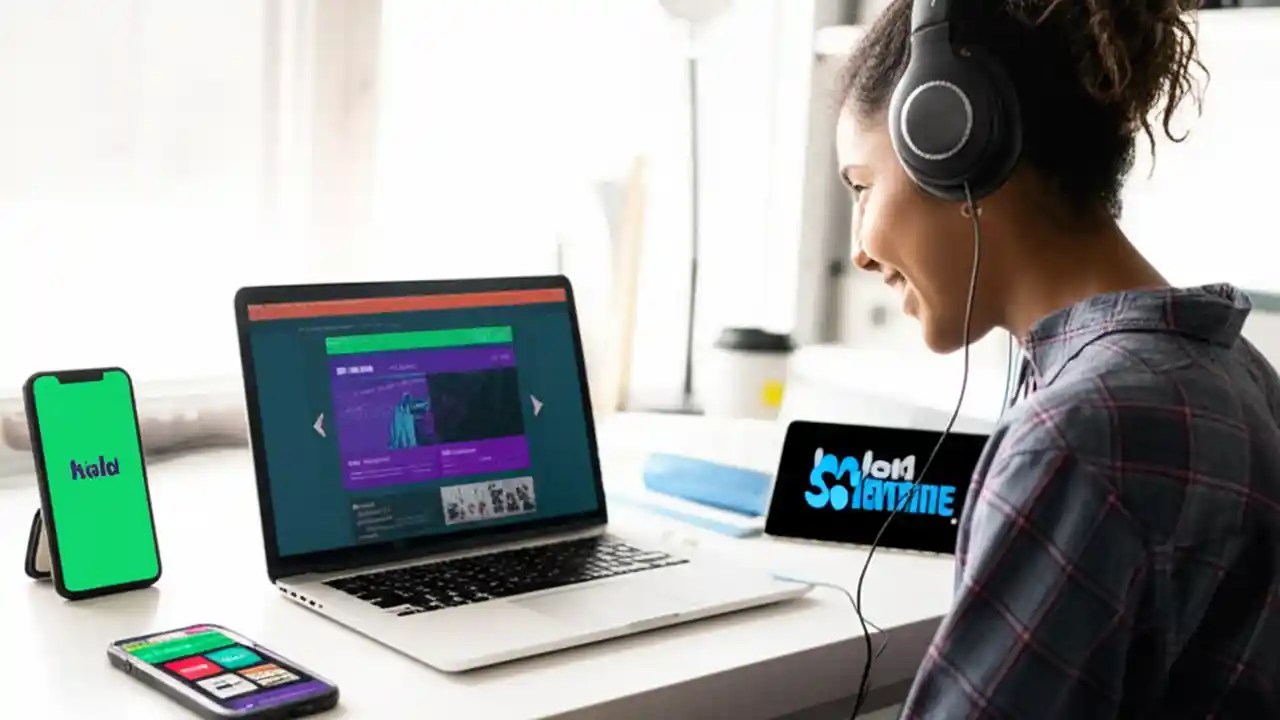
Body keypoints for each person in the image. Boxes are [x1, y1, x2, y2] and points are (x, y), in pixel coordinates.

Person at [838, 1, 1280, 717]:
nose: (858, 248)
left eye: (861, 187)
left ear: (953, 142)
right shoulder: (1237, 371)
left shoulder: (1082, 438)